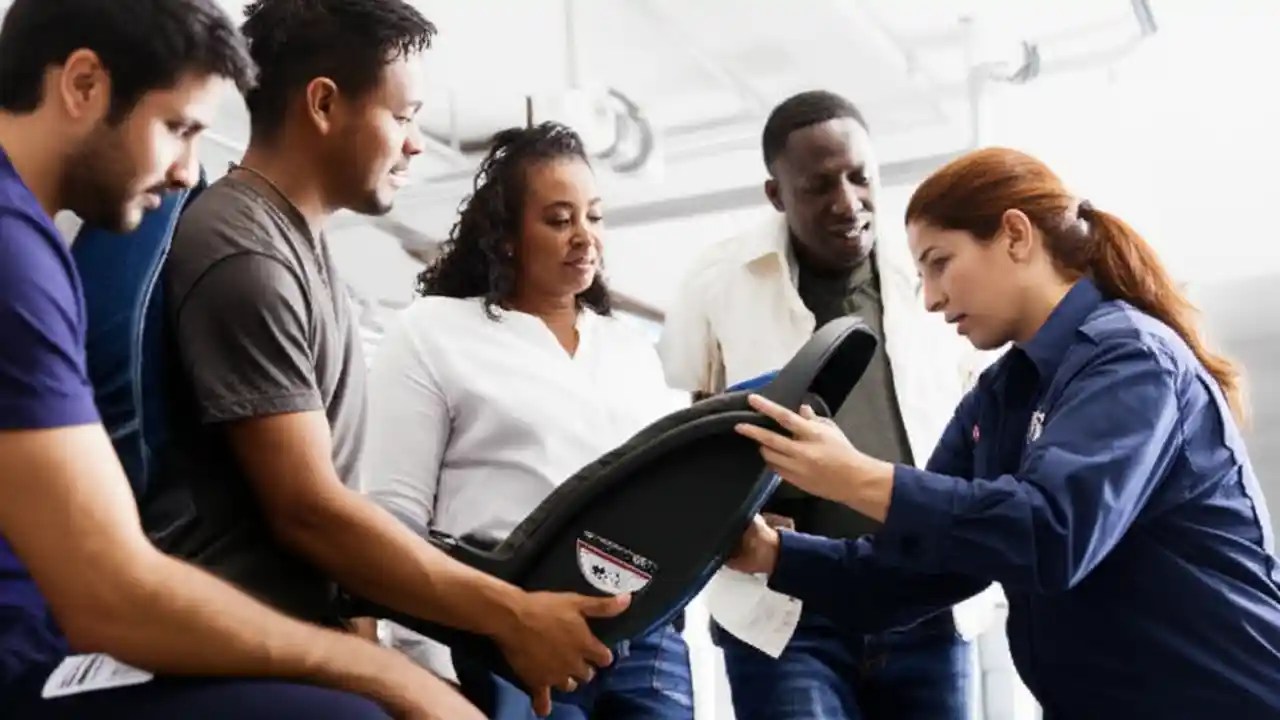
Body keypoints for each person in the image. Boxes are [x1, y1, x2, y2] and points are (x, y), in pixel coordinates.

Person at [0, 1, 481, 718]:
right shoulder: (14, 256)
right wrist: (384, 675)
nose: (188, 170)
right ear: (82, 85)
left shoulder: (34, 253)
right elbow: (111, 592)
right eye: (178, 128)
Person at [156, 2, 621, 715]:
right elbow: (309, 511)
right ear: (323, 103)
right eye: (403, 119)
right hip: (233, 641)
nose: (415, 146)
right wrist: (507, 614)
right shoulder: (243, 251)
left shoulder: (301, 254)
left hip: (300, 630)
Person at [729, 146, 1280, 719]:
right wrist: (773, 553)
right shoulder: (998, 401)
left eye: (940, 262)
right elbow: (909, 575)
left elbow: (1053, 534)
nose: (931, 298)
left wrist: (854, 478)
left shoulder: (1130, 359)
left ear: (1016, 236)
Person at [659, 89, 1000, 720]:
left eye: (859, 177)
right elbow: (695, 430)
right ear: (776, 195)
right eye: (819, 186)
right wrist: (731, 523)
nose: (847, 203)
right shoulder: (718, 280)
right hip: (785, 616)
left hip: (922, 602)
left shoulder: (925, 269)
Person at [363, 121, 696, 720]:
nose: (584, 237)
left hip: (644, 635)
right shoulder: (433, 332)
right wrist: (429, 665)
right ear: (508, 238)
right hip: (508, 625)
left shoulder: (629, 351)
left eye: (594, 217)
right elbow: (394, 518)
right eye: (559, 219)